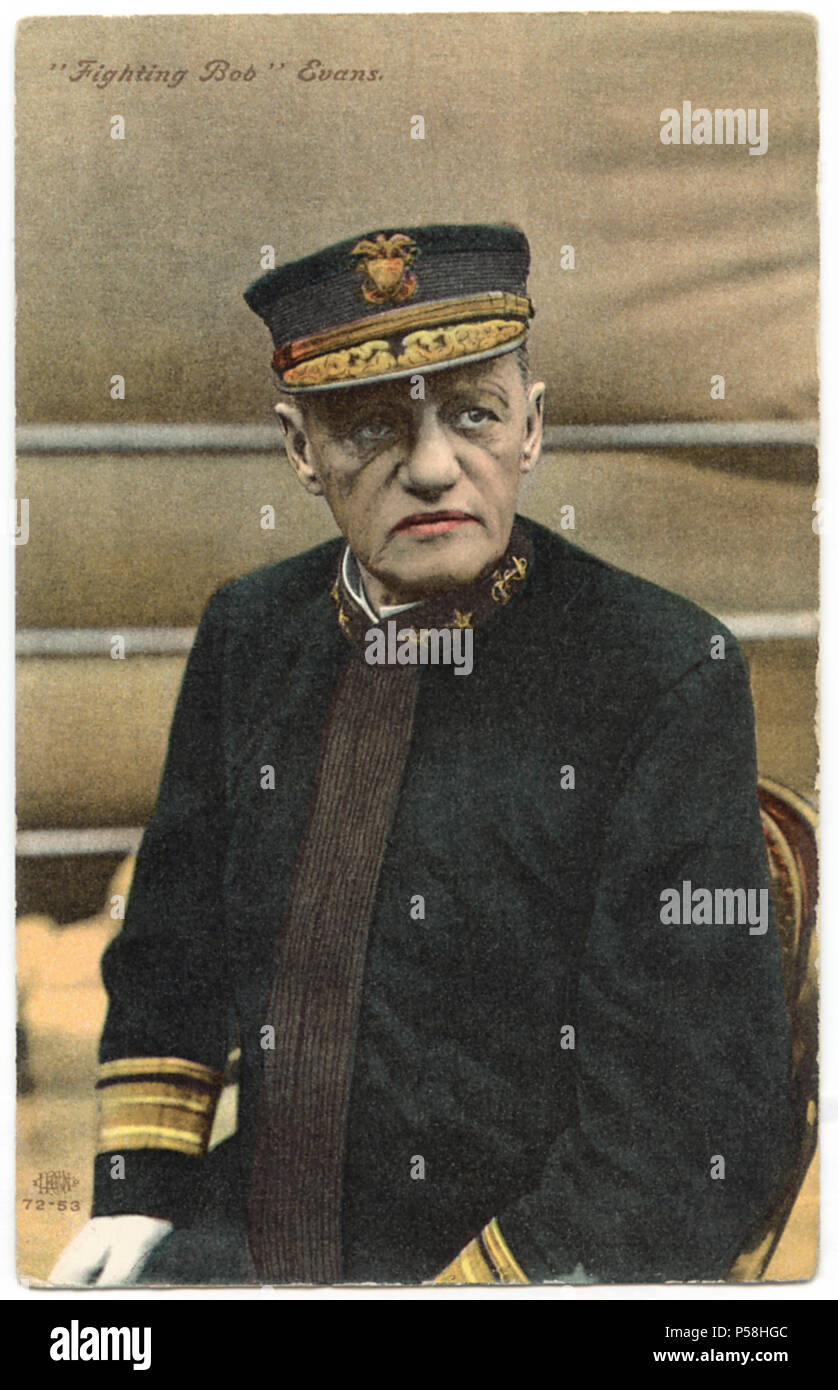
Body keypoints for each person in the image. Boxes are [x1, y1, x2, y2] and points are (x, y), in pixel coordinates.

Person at [50, 223, 793, 1287]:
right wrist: (138, 1191)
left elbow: (683, 1120)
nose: (435, 467)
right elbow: (172, 948)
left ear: (533, 428)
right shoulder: (250, 632)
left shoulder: (658, 671)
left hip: (531, 1260)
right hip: (252, 1243)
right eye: (370, 427)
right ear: (300, 449)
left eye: (474, 414)